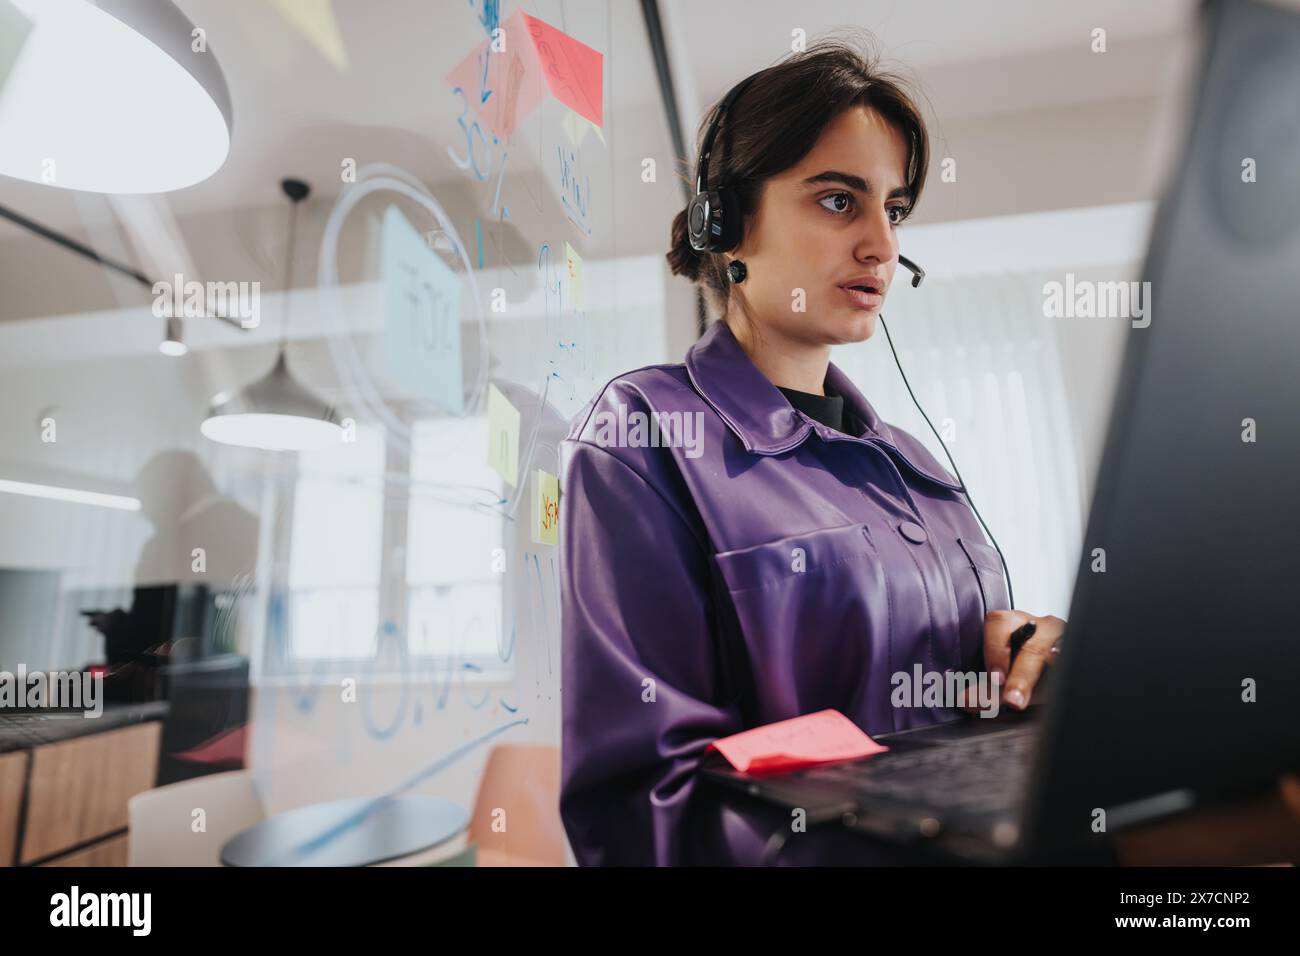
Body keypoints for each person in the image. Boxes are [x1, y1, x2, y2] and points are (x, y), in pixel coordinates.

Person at [555, 36, 1297, 867]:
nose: (882, 243)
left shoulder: (917, 468)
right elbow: (643, 816)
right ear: (724, 223)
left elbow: (937, 713)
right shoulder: (645, 434)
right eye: (839, 201)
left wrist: (1031, 684)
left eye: (895, 209)